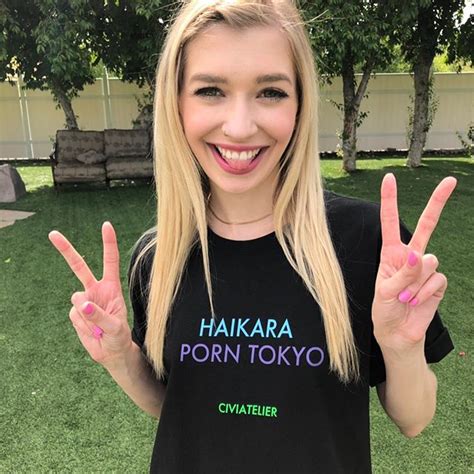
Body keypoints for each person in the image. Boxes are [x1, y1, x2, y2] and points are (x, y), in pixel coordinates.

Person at [48, 0, 458, 472]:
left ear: (299, 105)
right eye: (210, 91)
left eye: (270, 92)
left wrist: (401, 349)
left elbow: (414, 419)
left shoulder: (366, 242)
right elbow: (176, 406)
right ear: (176, 104)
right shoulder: (158, 256)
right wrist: (122, 358)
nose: (240, 127)